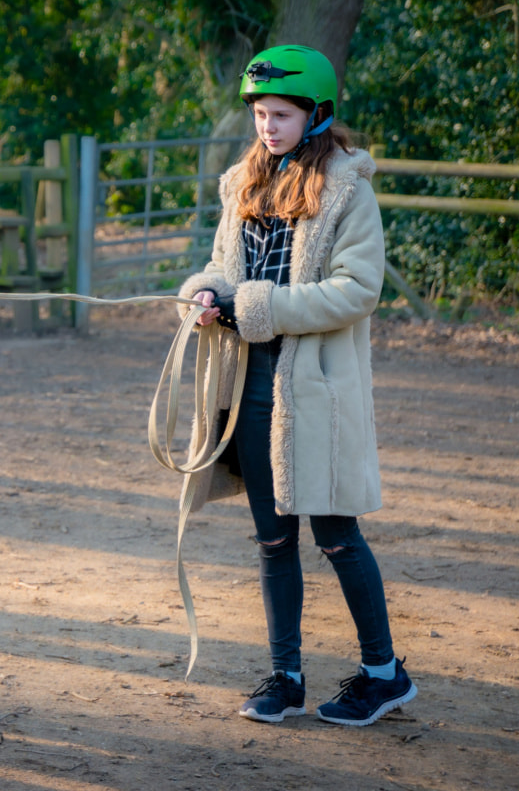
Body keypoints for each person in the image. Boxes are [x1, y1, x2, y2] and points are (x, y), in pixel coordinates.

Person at [178, 44, 417, 726]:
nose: (267, 127)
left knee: (337, 534)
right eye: (260, 114)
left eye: (280, 114)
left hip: (314, 389)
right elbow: (226, 267)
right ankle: (285, 675)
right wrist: (206, 293)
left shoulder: (348, 188)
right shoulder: (242, 184)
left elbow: (355, 291)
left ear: (316, 114)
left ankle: (383, 673)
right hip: (250, 385)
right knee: (272, 539)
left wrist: (257, 308)